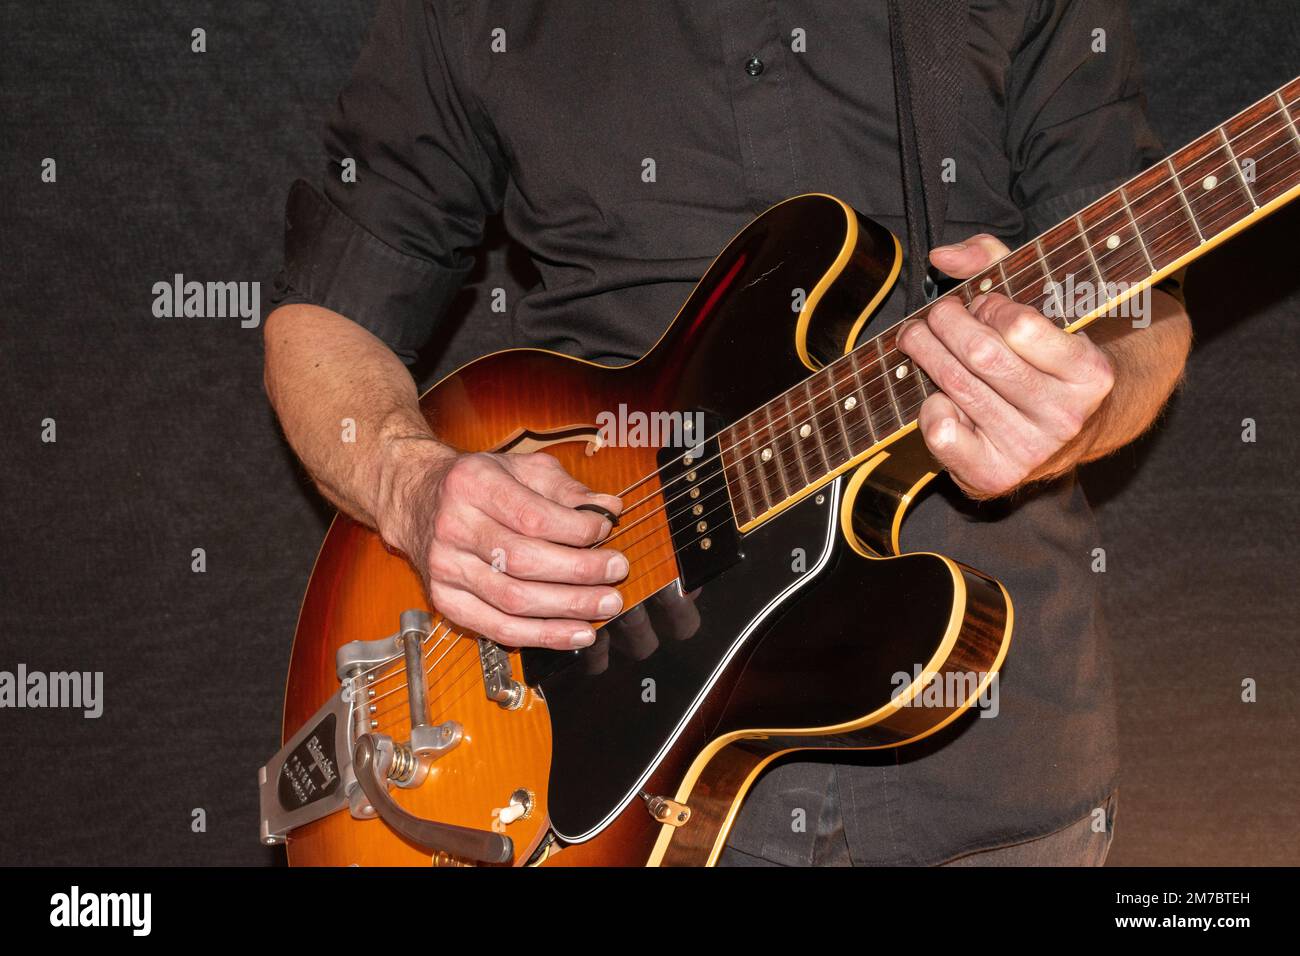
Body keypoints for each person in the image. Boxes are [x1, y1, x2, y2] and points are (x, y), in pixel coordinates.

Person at [264, 1, 1191, 866]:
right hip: (591, 742)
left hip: (992, 758)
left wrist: (1081, 410)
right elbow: (326, 314)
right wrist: (411, 486)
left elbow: (1141, 304)